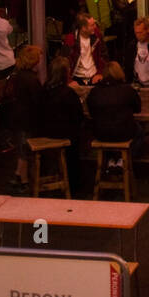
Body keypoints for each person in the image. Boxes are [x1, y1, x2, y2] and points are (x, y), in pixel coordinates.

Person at [40, 55, 85, 195]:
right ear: (65, 73)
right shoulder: (68, 93)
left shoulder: (43, 90)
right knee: (76, 142)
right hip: (65, 136)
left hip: (45, 132)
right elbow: (78, 116)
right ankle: (73, 185)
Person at [6, 44, 44, 195]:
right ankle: (24, 181)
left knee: (22, 149)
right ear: (34, 60)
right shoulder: (32, 80)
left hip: (17, 117)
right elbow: (38, 102)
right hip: (27, 119)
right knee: (25, 150)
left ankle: (18, 176)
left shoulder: (19, 76)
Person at [87, 61, 143, 157]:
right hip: (124, 132)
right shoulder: (128, 90)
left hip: (101, 133)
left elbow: (91, 112)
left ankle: (111, 160)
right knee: (140, 131)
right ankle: (124, 159)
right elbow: (137, 108)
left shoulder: (95, 91)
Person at [63, 13, 107, 86]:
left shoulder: (97, 35)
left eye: (94, 24)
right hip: (77, 79)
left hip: (95, 77)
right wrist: (69, 80)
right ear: (83, 28)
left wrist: (100, 73)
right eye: (92, 25)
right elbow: (64, 62)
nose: (95, 27)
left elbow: (104, 55)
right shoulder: (71, 40)